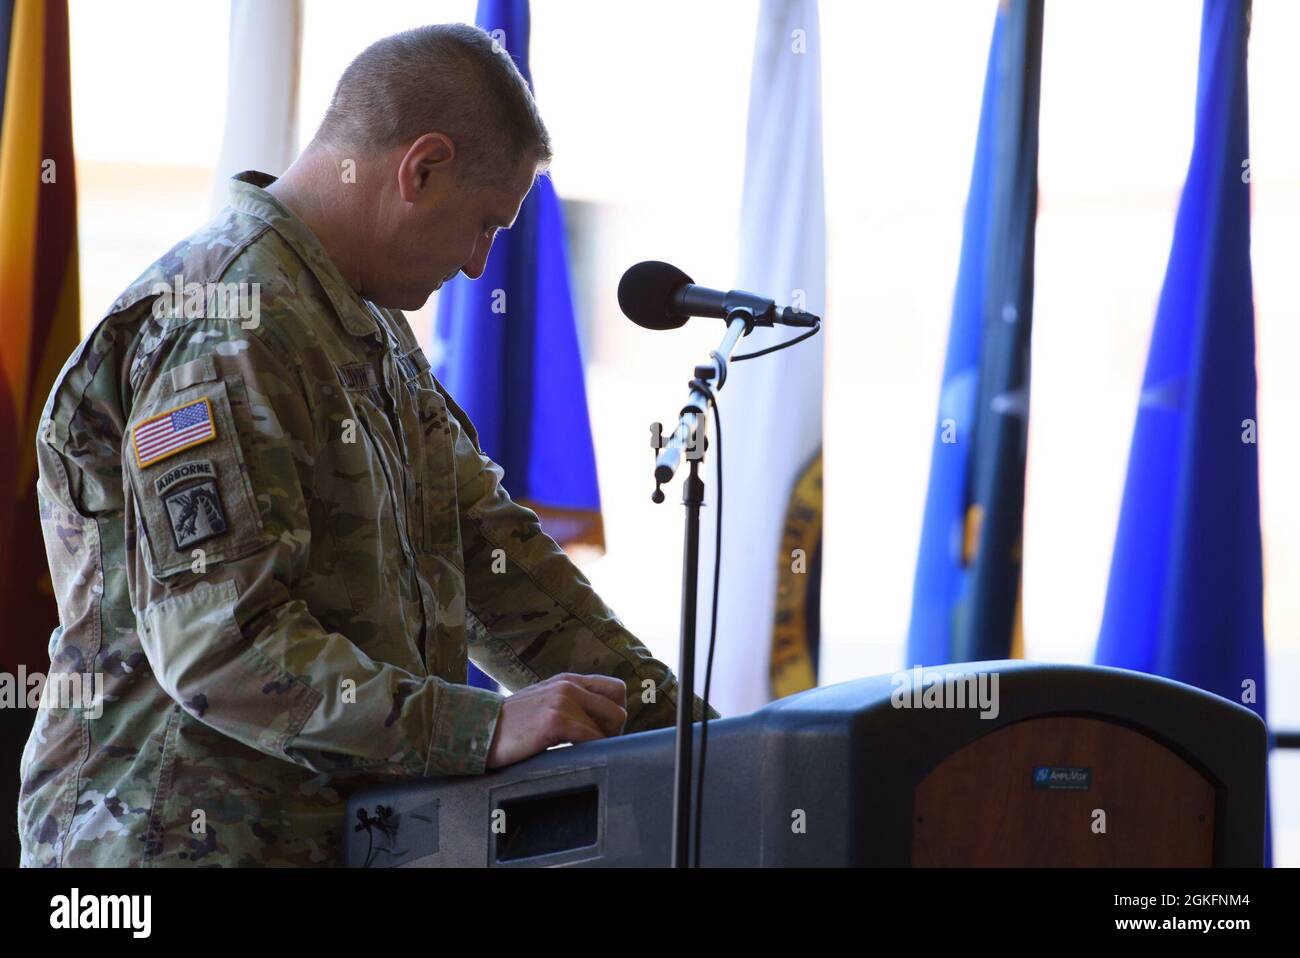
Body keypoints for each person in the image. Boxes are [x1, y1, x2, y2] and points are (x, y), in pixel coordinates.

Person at [19, 23, 713, 868]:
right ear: (420, 168)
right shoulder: (230, 320)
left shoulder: (364, 319)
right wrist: (483, 724)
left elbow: (499, 560)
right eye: (484, 225)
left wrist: (694, 738)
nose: (475, 265)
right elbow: (221, 645)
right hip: (168, 846)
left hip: (334, 840)